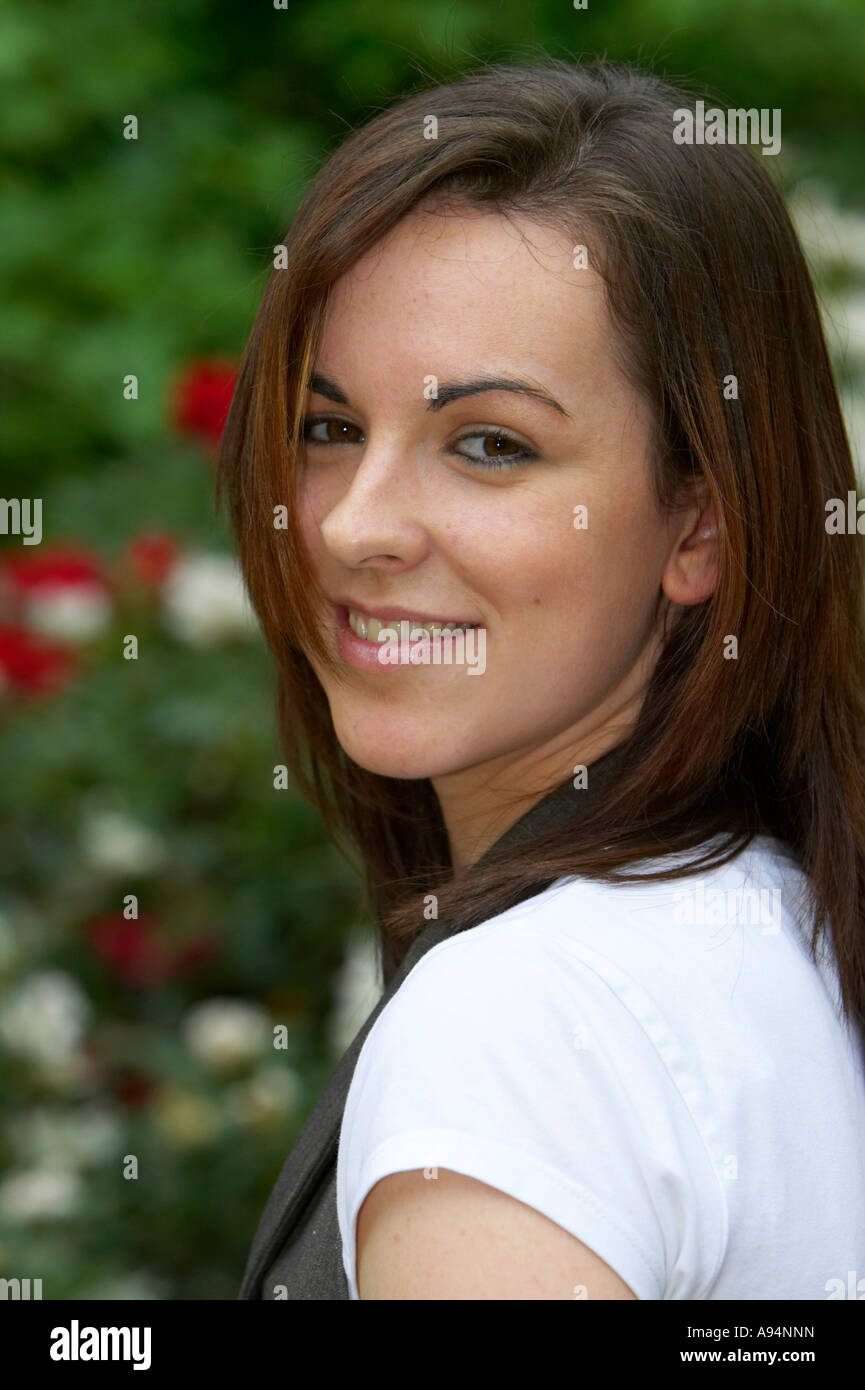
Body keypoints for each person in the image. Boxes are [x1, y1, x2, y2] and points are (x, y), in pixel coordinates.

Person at [219, 58, 865, 1300]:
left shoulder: (520, 1026)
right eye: (327, 426)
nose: (357, 524)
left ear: (699, 528)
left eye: (489, 445)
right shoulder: (779, 931)